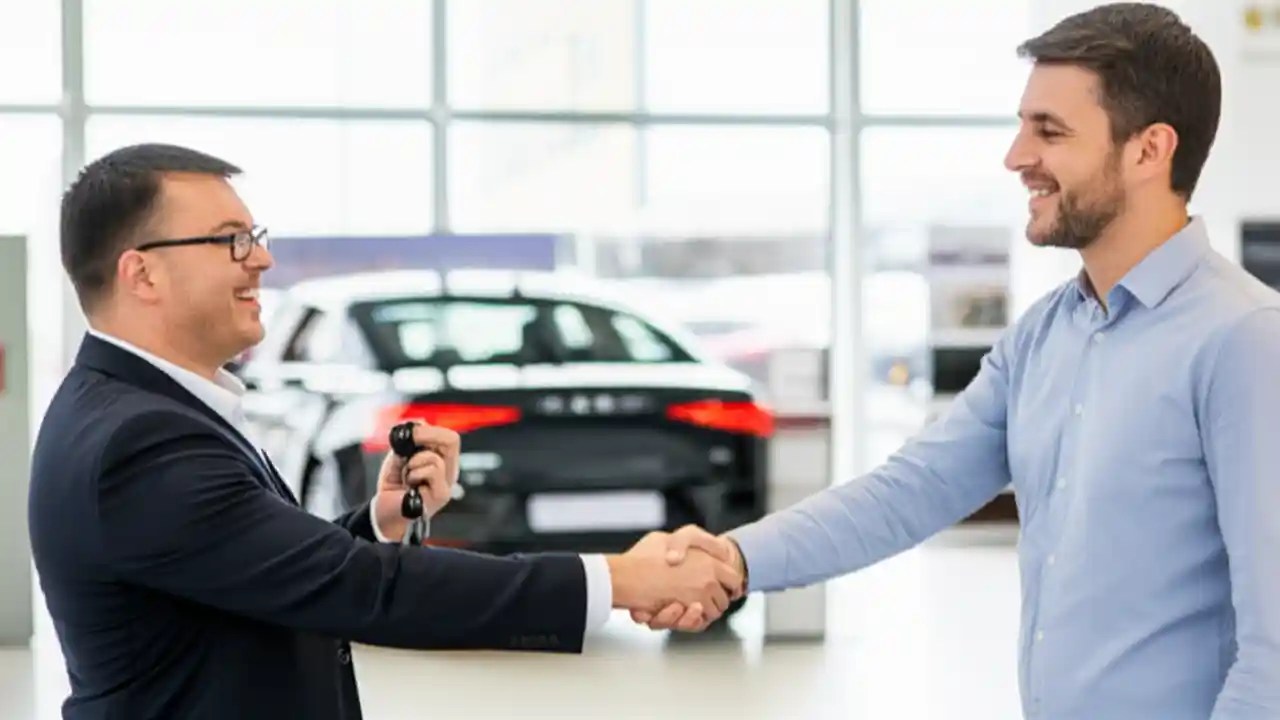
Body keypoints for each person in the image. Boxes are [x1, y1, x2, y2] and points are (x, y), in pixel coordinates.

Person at [638, 4, 1280, 719]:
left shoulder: (1244, 340)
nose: (1016, 157)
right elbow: (912, 490)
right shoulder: (1043, 336)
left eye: (1050, 131)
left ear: (1149, 150)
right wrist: (736, 559)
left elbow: (1274, 652)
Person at [27, 143, 742, 720]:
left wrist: (377, 521)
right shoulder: (138, 441)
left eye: (254, 237)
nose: (262, 259)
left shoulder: (140, 408)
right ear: (141, 274)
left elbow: (264, 572)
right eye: (230, 240)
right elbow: (359, 590)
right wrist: (618, 578)